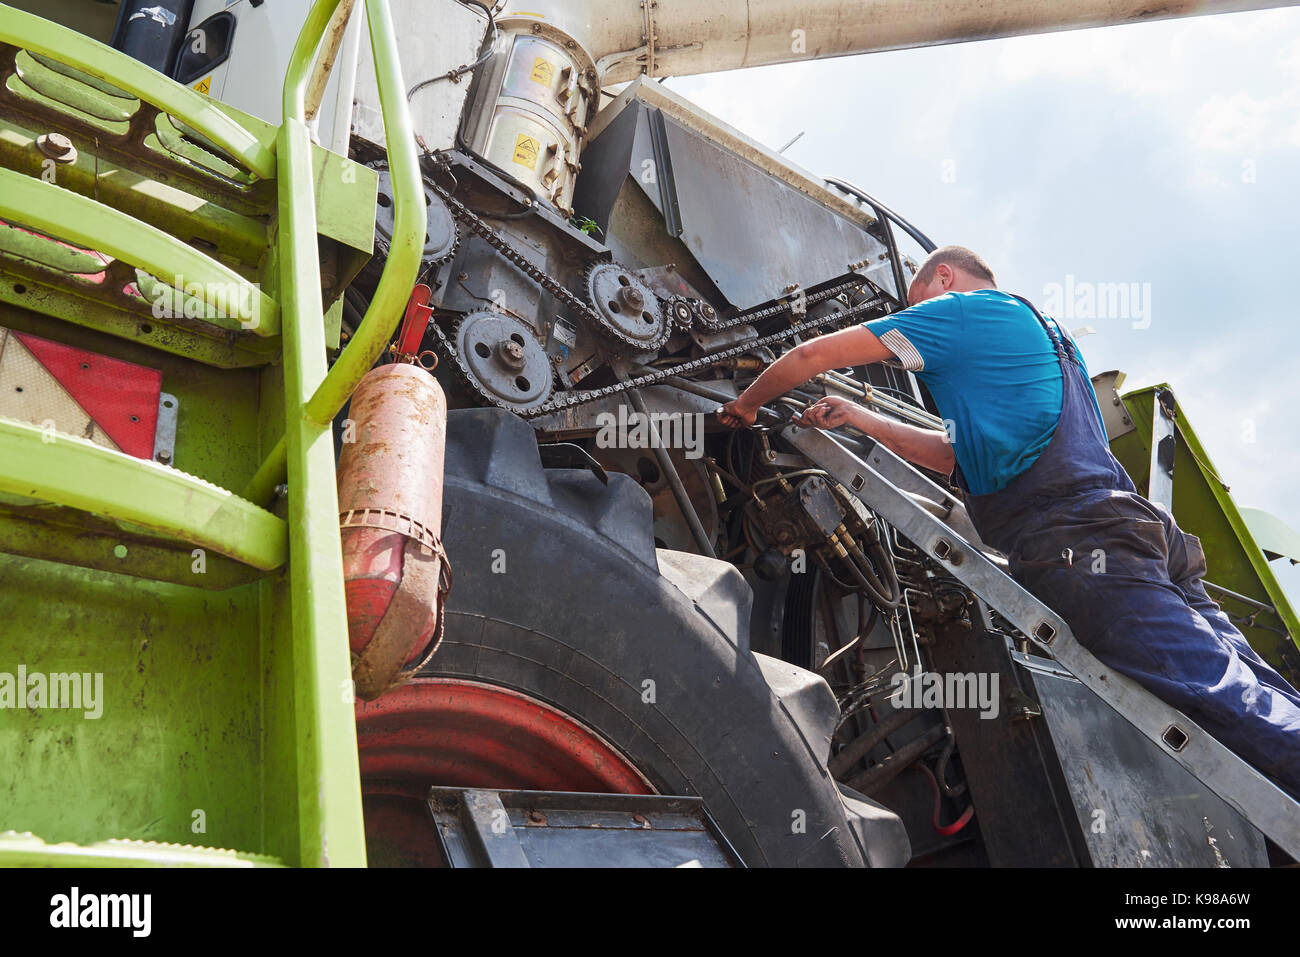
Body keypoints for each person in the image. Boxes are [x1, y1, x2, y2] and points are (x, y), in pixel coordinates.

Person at [720, 245, 1300, 797]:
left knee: (1215, 695)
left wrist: (744, 407)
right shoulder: (1045, 334)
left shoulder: (957, 313)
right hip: (1136, 533)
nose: (913, 322)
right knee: (1249, 683)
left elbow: (811, 356)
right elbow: (954, 457)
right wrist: (863, 420)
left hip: (1079, 539)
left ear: (944, 279)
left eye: (915, 302)